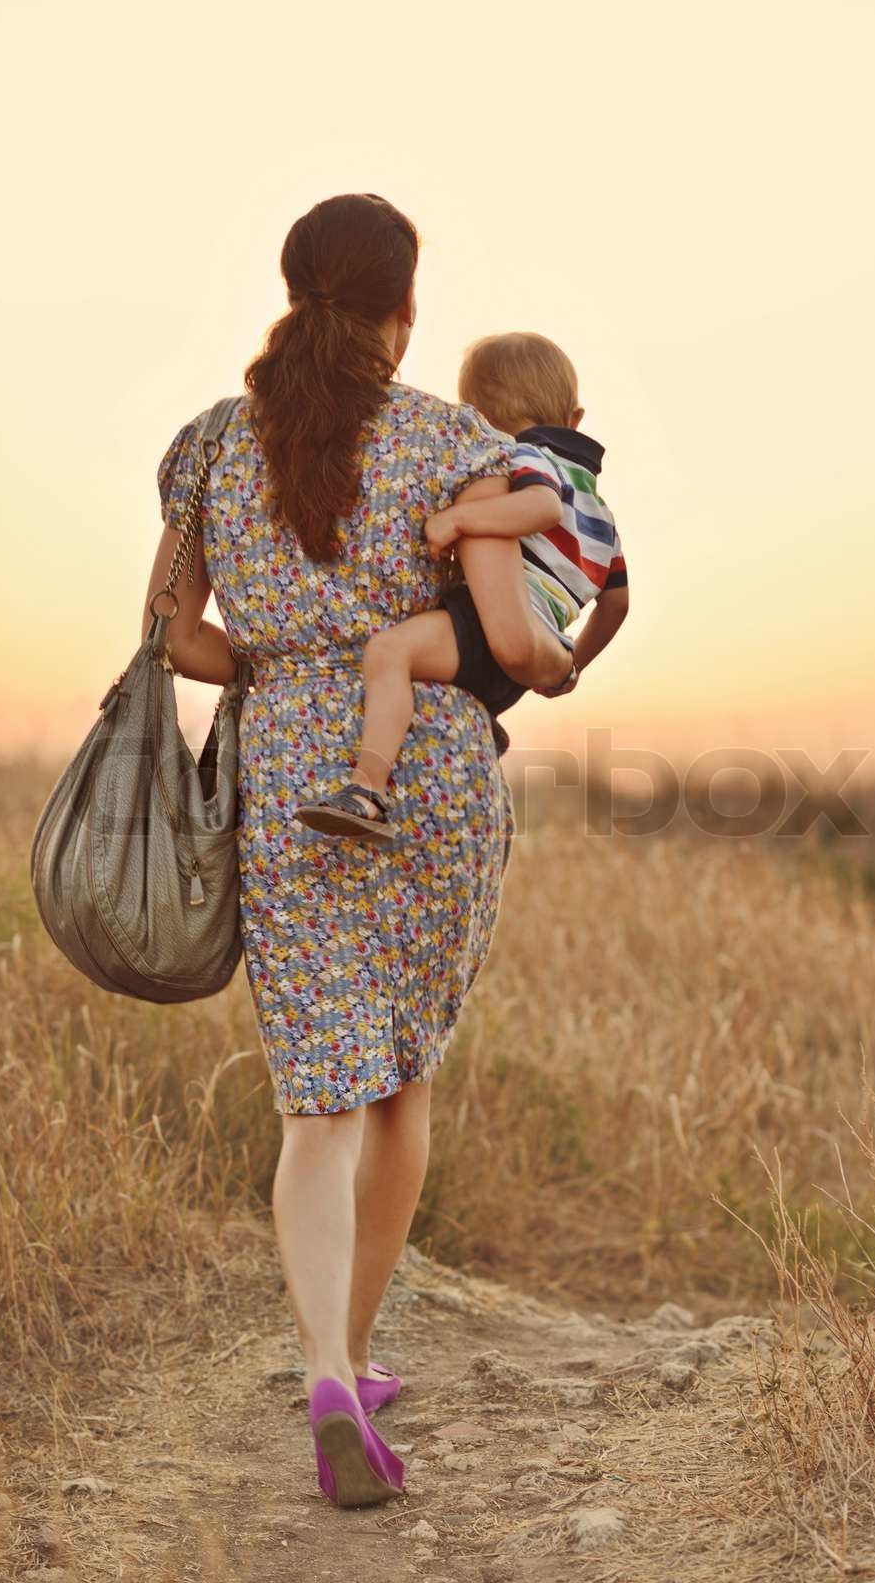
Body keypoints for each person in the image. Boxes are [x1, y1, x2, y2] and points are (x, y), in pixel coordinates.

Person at [143, 194, 572, 1509]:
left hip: (285, 771)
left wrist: (282, 664)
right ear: (403, 309)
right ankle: (362, 1350)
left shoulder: (215, 447)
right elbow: (510, 646)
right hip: (429, 774)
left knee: (317, 1097)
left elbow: (176, 638)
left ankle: (330, 1366)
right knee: (403, 1081)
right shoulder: (458, 447)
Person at [298, 331, 629, 840]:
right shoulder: (604, 517)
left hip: (488, 623)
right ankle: (478, 728)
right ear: (576, 418)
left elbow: (541, 507)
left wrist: (459, 519)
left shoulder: (524, 456)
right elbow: (616, 603)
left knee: (389, 652)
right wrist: (572, 664)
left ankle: (367, 788)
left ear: (475, 416)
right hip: (532, 651)